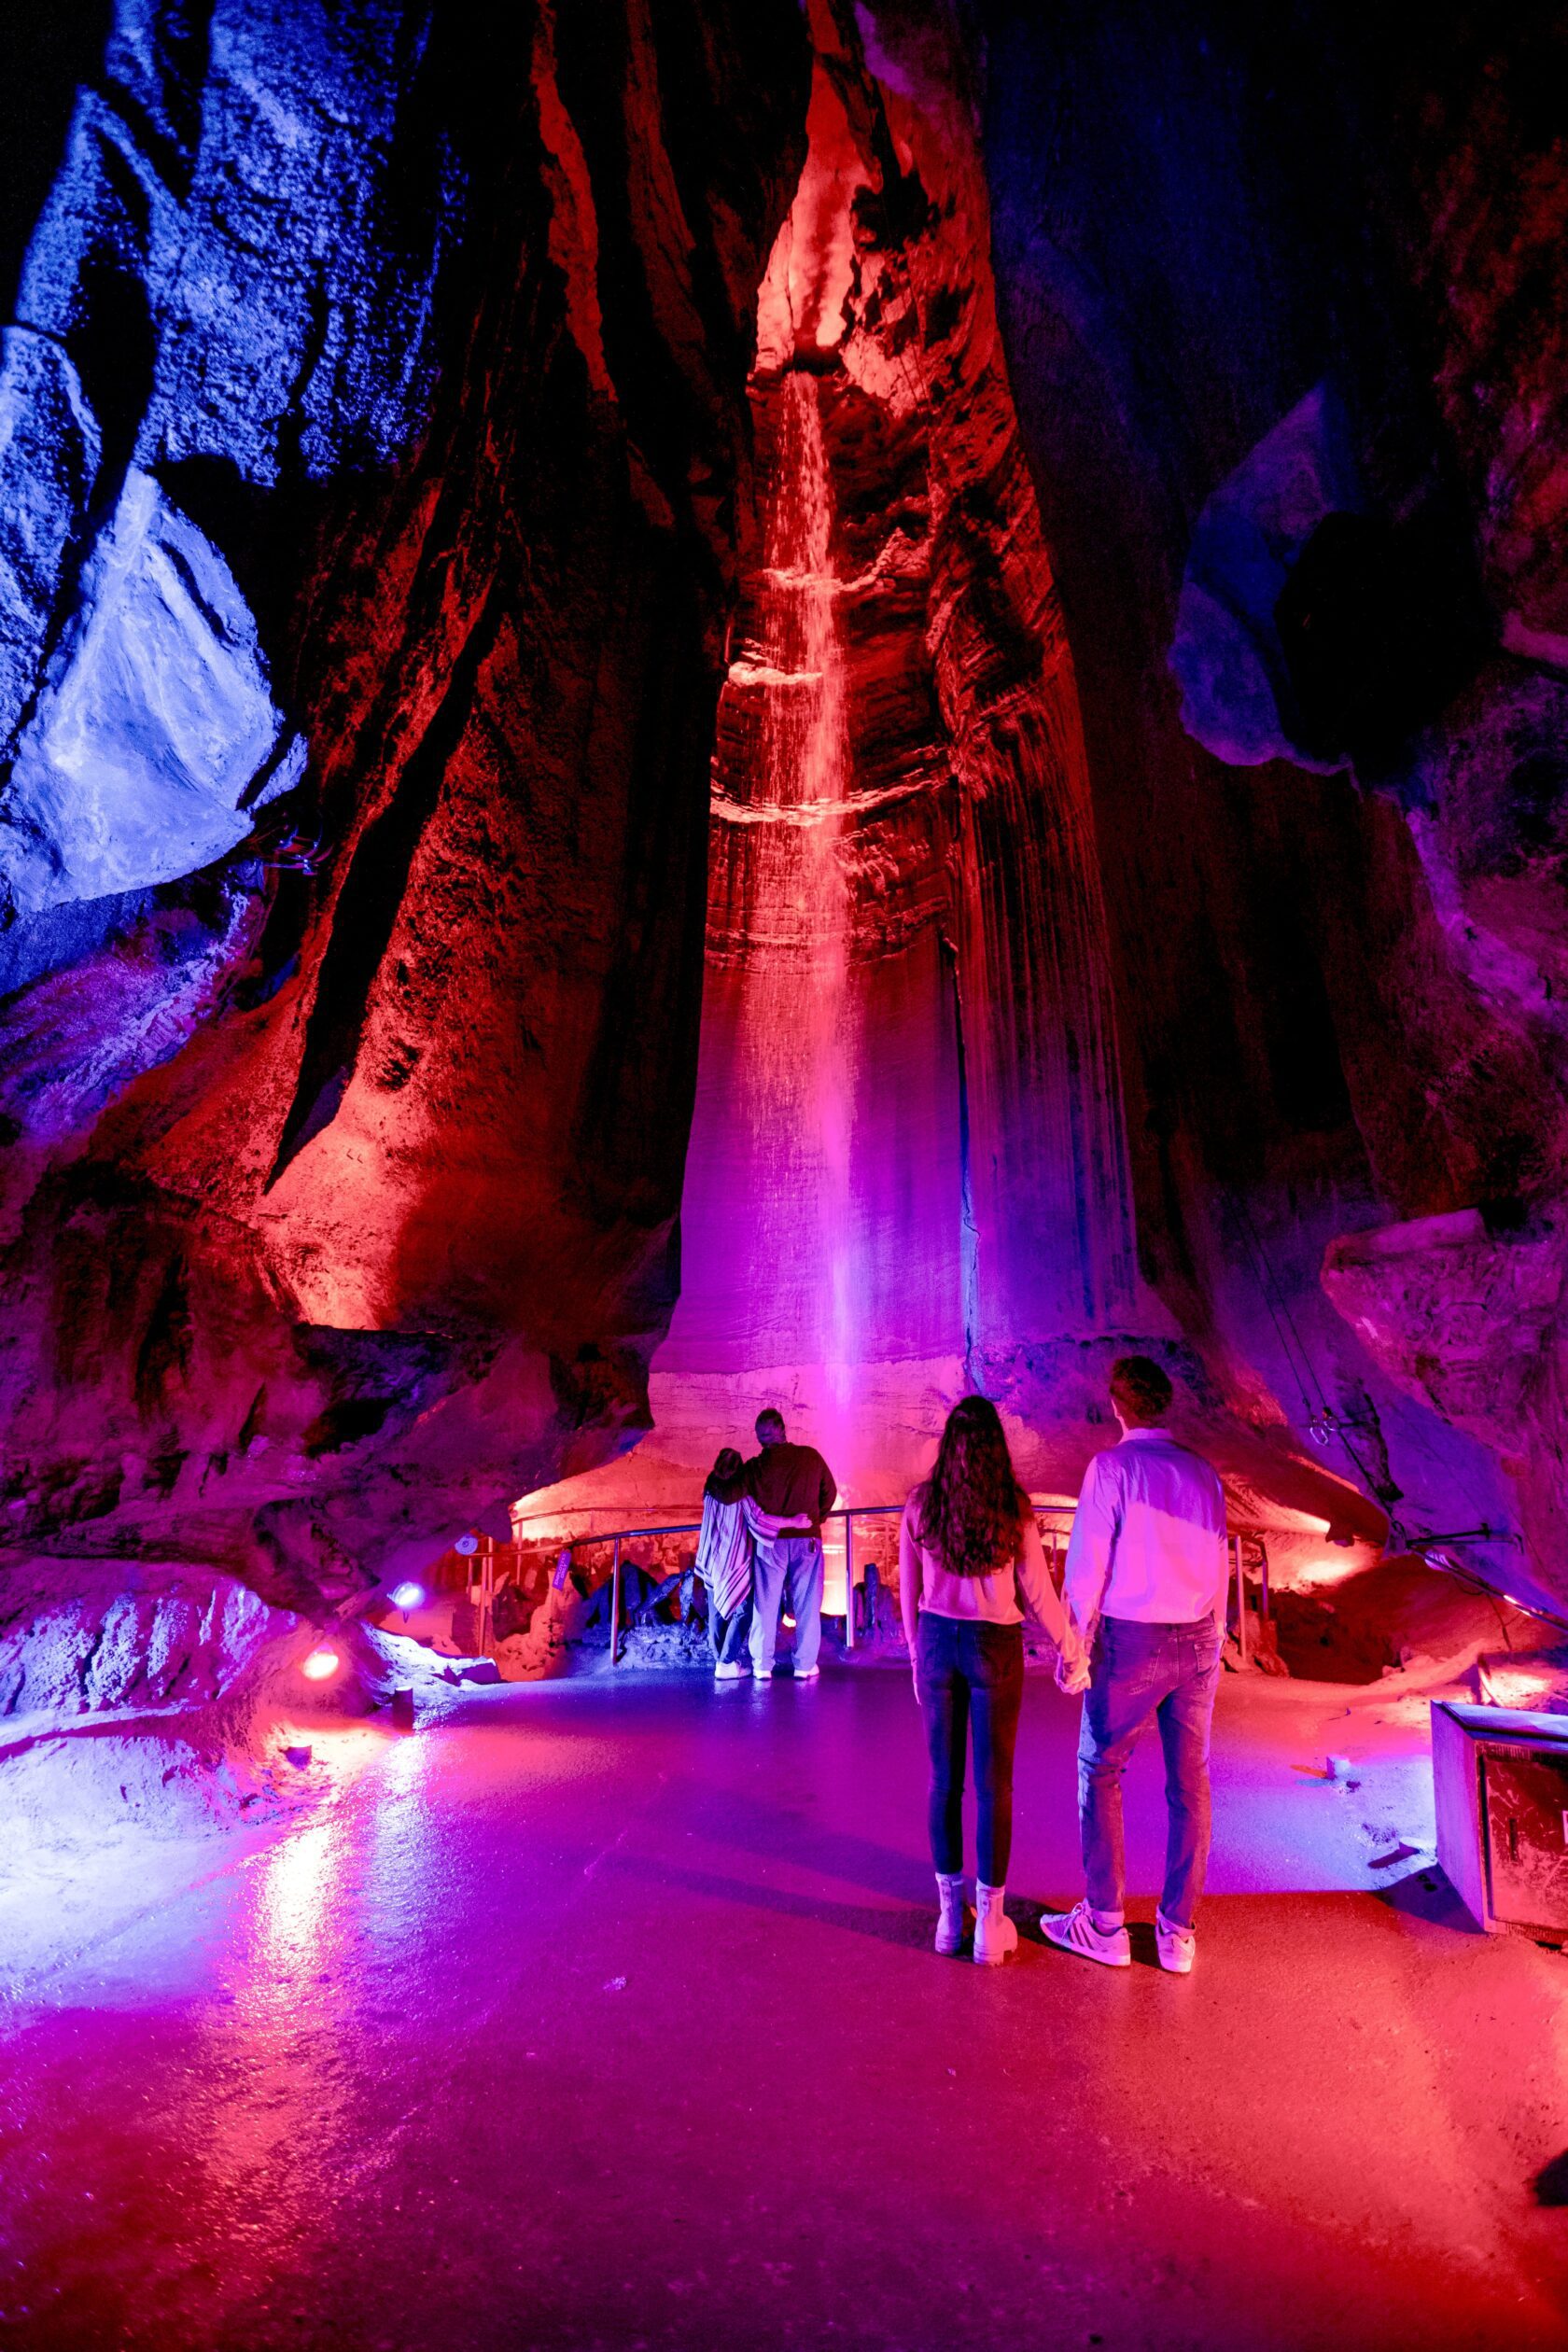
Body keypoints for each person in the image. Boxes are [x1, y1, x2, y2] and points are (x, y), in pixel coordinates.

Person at [1043, 1355, 1229, 1976]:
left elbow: (1088, 1566)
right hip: (1199, 1638)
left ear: (1117, 1405)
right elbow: (1219, 1561)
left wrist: (1074, 1648)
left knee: (1100, 1770)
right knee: (1190, 1784)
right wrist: (1218, 1641)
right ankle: (1177, 1933)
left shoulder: (1112, 1469)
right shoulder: (1203, 1473)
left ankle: (1105, 1924)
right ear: (1165, 1403)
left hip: (1133, 1643)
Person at [899, 1395, 1077, 1965]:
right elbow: (1039, 1594)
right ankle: (990, 1925)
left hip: (936, 1641)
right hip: (993, 1644)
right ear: (997, 1449)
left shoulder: (921, 1504)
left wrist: (914, 1651)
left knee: (943, 1782)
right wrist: (1072, 1650)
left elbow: (908, 1590)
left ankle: (951, 1919)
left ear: (948, 1445)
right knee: (995, 1786)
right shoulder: (1013, 1508)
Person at [694, 1449, 812, 1683]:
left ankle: (721, 1662)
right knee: (744, 1612)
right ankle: (726, 1662)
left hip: (710, 1562)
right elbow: (761, 1521)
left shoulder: (709, 1493)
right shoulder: (742, 1497)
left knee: (716, 1613)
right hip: (734, 1563)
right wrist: (794, 1522)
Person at [743, 1408, 836, 1682]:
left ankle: (762, 1664)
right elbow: (829, 1492)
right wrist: (814, 1518)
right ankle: (804, 1664)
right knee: (807, 1601)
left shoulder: (753, 1468)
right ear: (783, 1429)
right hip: (806, 1539)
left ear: (760, 1438)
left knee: (766, 1602)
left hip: (769, 1542)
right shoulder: (810, 1457)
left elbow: (744, 1502)